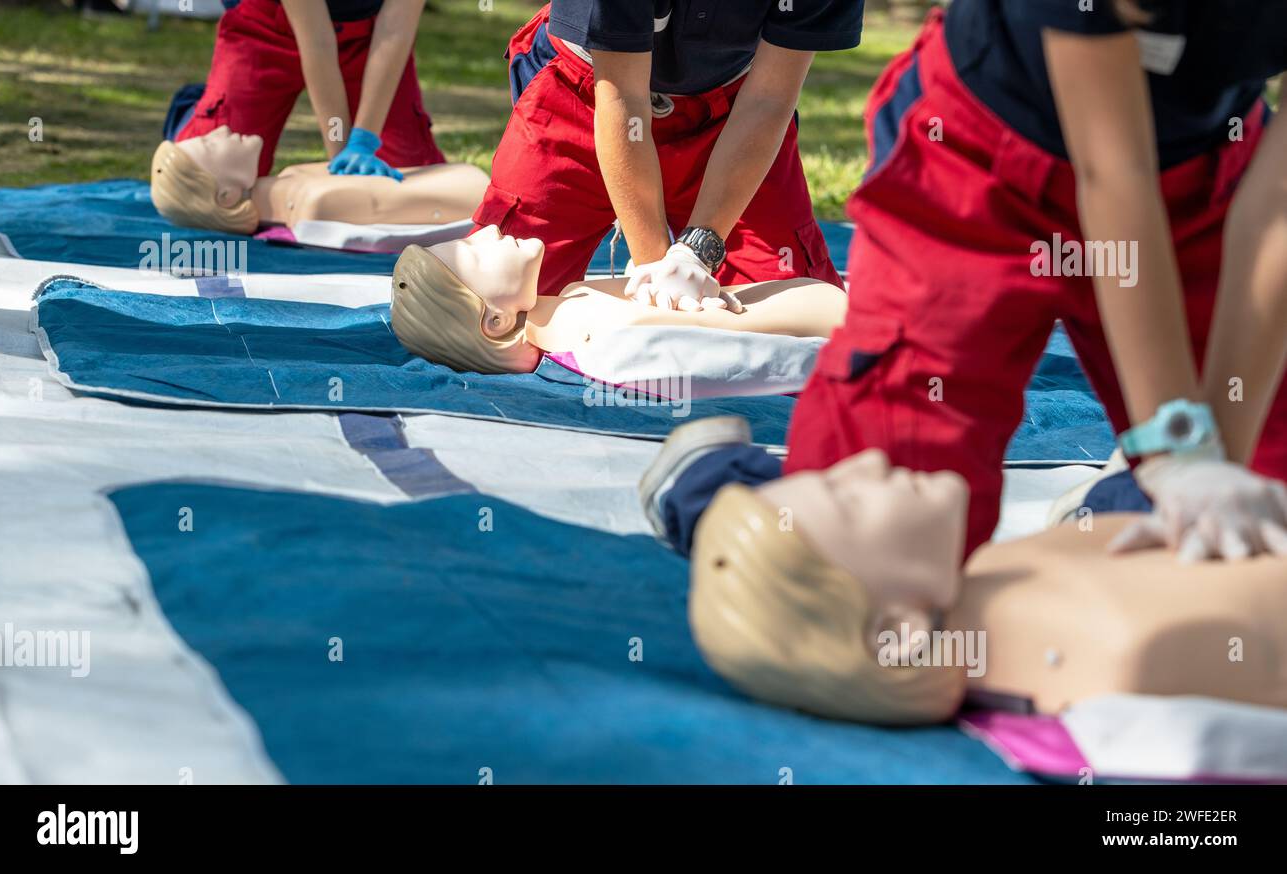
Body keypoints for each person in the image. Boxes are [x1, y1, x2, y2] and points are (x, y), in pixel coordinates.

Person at [643, 0, 1287, 564]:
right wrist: (1178, 442)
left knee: (1259, 514)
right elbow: (1114, 172)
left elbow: (1277, 208)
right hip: (979, 162)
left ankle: (1118, 508)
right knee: (875, 542)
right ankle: (717, 490)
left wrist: (1211, 458)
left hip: (1198, 177)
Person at [688, 439, 1287, 725]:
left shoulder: (991, 577)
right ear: (898, 632)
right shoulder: (1121, 644)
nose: (865, 463)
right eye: (847, 499)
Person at [471, 1, 864, 311]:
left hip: (728, 113)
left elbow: (768, 98)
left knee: (807, 316)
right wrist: (654, 271)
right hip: (585, 95)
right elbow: (624, 96)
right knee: (494, 302)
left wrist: (696, 251)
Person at [388, 225, 848, 374]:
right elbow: (733, 340)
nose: (487, 229)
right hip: (833, 320)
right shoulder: (586, 329)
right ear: (492, 319)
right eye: (472, 251)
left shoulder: (570, 301)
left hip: (818, 308)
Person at [168, 0, 444, 182]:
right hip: (265, 24)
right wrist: (341, 161)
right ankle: (195, 110)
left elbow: (395, 31)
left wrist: (363, 142)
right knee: (212, 176)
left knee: (412, 173)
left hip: (367, 38)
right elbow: (317, 41)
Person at [150, 126, 487, 235]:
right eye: (210, 143)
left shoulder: (293, 176)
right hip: (487, 195)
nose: (221, 130)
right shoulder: (315, 203)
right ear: (225, 195)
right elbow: (468, 201)